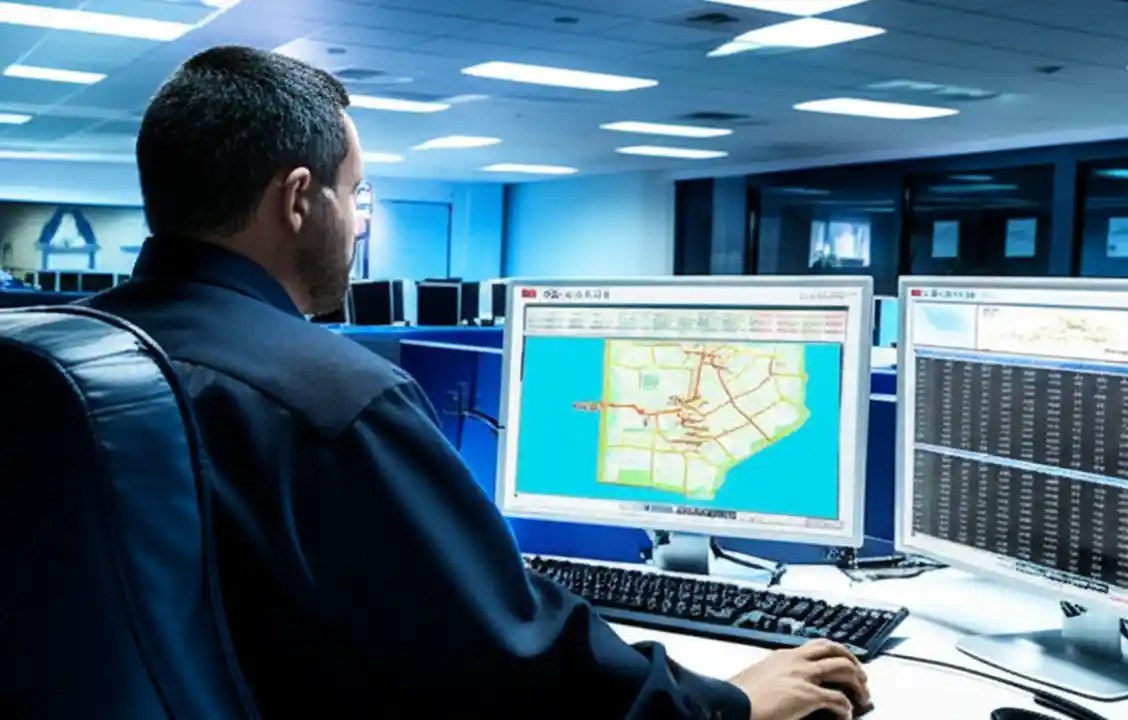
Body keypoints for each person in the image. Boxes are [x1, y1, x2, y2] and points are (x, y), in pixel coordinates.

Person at [85, 46, 871, 719]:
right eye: (355, 195)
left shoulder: (76, 353)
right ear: (297, 200)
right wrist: (731, 702)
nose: (360, 223)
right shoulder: (332, 401)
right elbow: (522, 670)